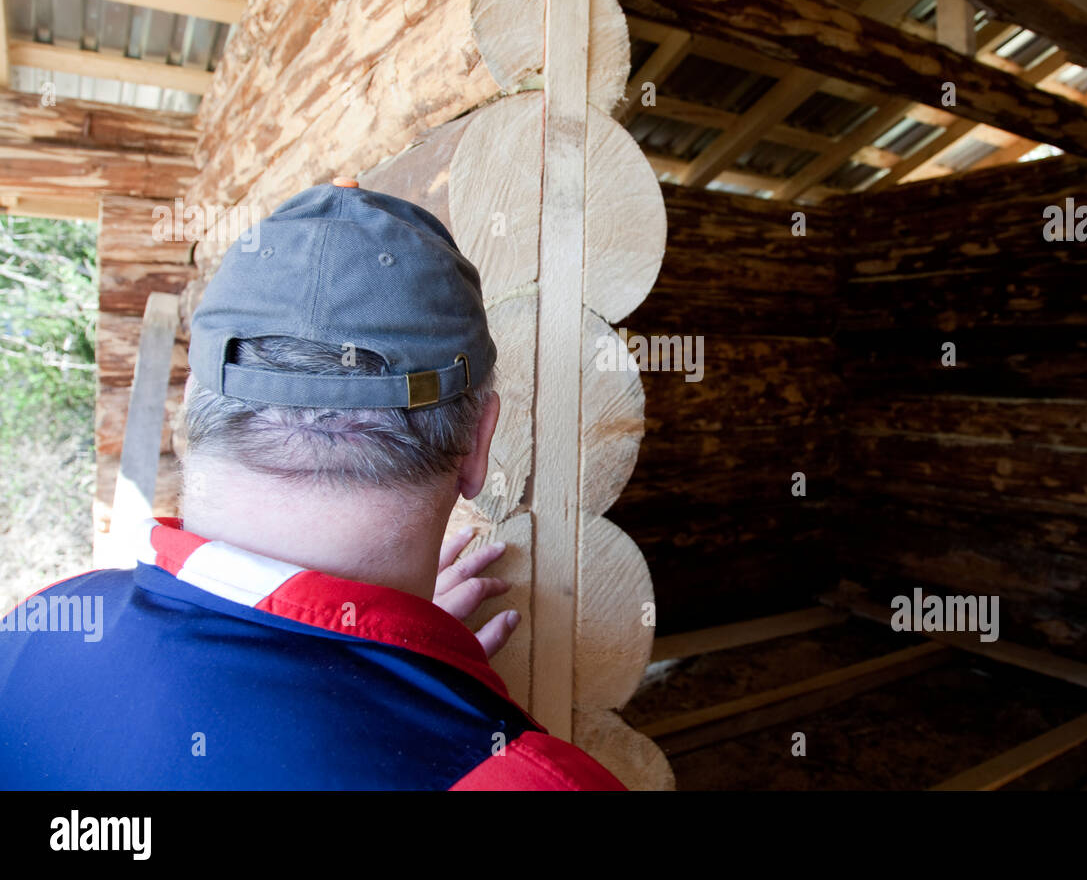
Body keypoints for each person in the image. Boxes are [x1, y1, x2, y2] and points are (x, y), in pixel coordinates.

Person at [0, 180, 626, 790]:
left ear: (188, 413)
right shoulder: (522, 778)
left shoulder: (32, 632)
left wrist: (387, 654)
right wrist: (402, 682)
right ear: (479, 443)